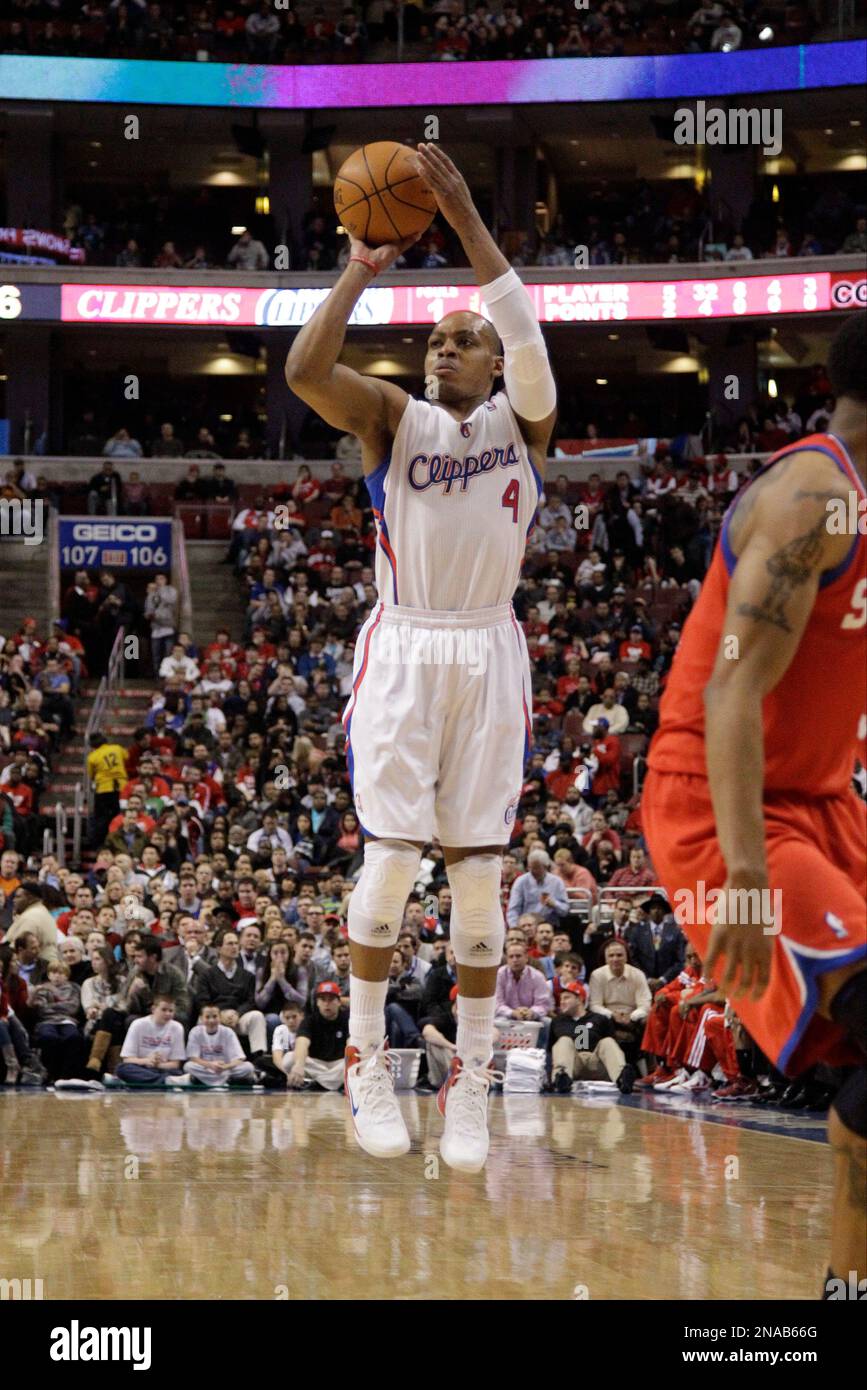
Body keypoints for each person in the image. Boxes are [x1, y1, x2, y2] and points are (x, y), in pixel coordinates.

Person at [284, 142, 557, 1171]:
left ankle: (474, 1076)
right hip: (406, 641)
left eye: (462, 339)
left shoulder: (527, 424)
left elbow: (524, 329)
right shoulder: (391, 418)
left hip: (491, 647)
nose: (443, 347)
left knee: (480, 883)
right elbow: (305, 372)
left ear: (491, 364)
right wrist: (363, 265)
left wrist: (463, 214)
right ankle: (363, 1057)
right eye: (435, 339)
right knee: (392, 861)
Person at [643, 311, 866, 1296]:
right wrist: (741, 879)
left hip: (823, 803)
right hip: (727, 807)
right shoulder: (814, 496)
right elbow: (732, 688)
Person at [548, 980, 635, 1094]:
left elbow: (613, 1047)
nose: (562, 1002)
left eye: (566, 998)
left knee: (608, 1041)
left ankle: (622, 1078)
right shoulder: (557, 1021)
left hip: (596, 1063)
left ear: (579, 999)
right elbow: (551, 1050)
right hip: (572, 1064)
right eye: (561, 999)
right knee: (564, 1040)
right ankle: (561, 1078)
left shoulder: (600, 1019)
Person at [286, 981, 350, 1091]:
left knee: (357, 1062)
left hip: (339, 1063)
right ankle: (333, 1082)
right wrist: (299, 1065)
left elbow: (351, 1046)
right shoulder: (309, 1021)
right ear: (317, 1003)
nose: (326, 1004)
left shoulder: (348, 1019)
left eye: (331, 999)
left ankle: (320, 1084)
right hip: (316, 1063)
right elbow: (302, 1043)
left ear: (339, 1002)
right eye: (323, 1000)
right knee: (288, 1059)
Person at [115, 995, 186, 1087]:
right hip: (141, 1066)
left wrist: (157, 1064)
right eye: (164, 1010)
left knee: (177, 1073)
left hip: (163, 1068)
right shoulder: (138, 1024)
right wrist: (147, 1061)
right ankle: (165, 1082)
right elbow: (127, 1059)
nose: (168, 1014)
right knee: (122, 1069)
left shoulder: (177, 1028)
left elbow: (175, 1064)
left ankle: (144, 1082)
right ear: (153, 1009)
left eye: (171, 1011)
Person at [185, 1002, 258, 1087]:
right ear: (201, 1018)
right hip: (206, 1068)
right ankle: (227, 1081)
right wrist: (210, 1065)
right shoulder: (195, 1032)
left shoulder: (228, 1032)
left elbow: (239, 1059)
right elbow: (193, 1058)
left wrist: (225, 1067)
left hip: (225, 1069)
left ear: (220, 1018)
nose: (211, 1020)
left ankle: (205, 1080)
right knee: (188, 1066)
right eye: (207, 1017)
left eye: (215, 1016)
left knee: (248, 1067)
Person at [86, 731, 128, 849]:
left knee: (101, 818)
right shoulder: (117, 748)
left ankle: (99, 843)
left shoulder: (92, 757)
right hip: (121, 786)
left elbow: (92, 775)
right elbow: (126, 757)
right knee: (120, 815)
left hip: (103, 788)